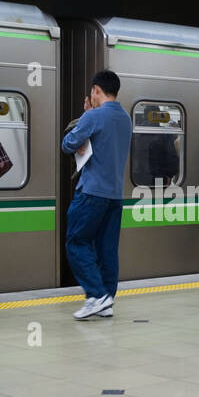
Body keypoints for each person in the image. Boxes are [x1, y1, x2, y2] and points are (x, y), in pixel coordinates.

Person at [62, 71, 132, 320]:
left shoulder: (93, 115)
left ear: (95, 91)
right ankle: (107, 300)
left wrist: (85, 116)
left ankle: (95, 295)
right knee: (107, 249)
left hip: (91, 193)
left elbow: (68, 144)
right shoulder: (125, 118)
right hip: (115, 195)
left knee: (76, 241)